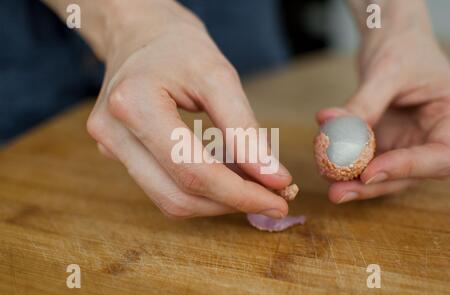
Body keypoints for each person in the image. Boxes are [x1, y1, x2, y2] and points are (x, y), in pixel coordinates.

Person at [3, 0, 450, 219]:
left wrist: (398, 24)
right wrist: (127, 18)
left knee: (238, 137)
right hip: (30, 54)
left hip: (229, 24)